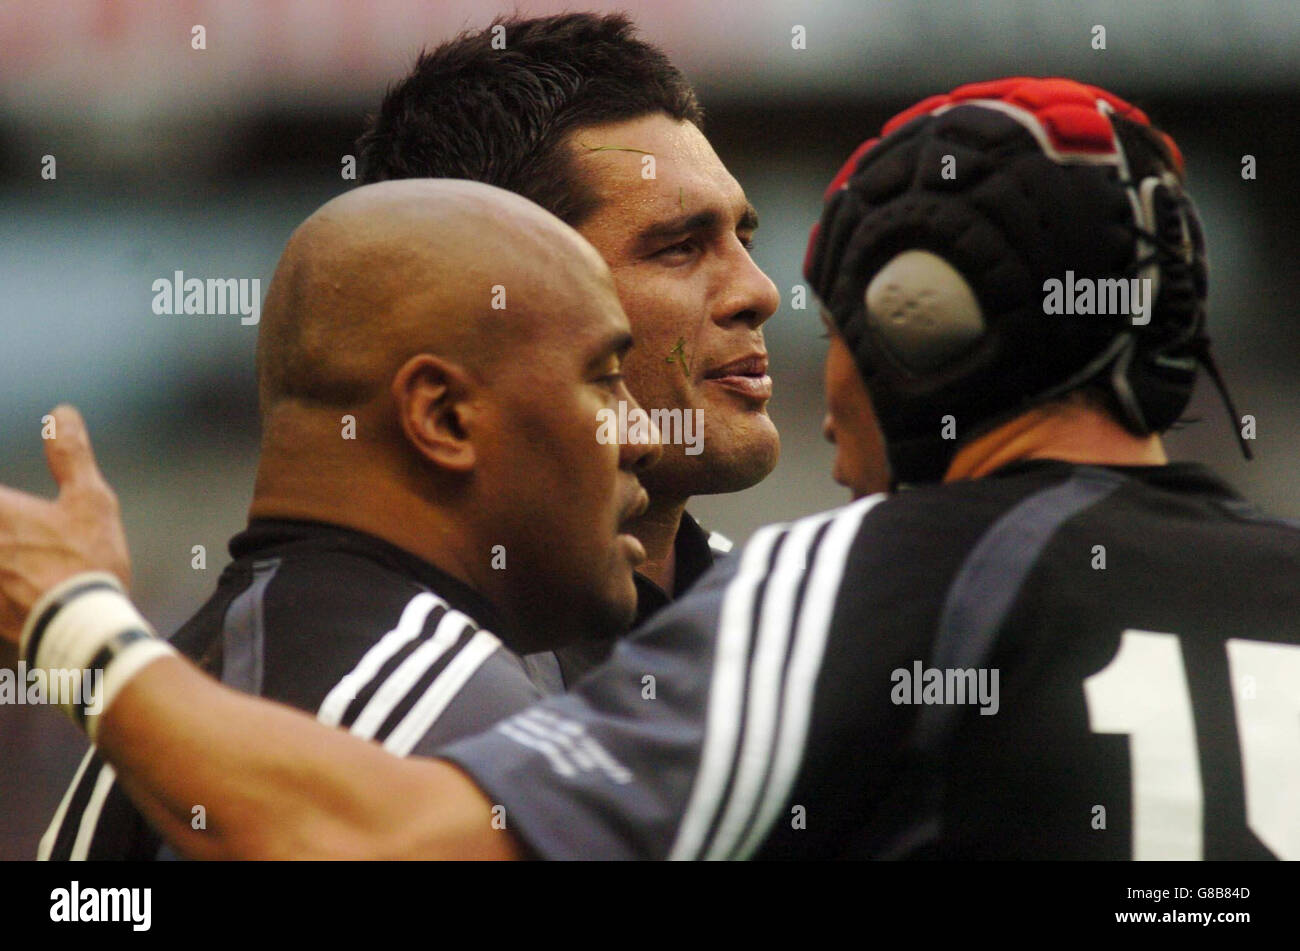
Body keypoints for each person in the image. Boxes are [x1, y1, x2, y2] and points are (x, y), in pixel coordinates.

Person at [3, 78, 1296, 860]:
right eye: (679, 248)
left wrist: (84, 634)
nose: (755, 297)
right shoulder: (374, 664)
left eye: (759, 242)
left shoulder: (825, 595)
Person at [30, 178, 660, 859]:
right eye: (604, 378)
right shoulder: (459, 726)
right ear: (443, 416)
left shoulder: (133, 751)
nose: (645, 433)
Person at [355, 12, 782, 680]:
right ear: (498, 293)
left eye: (743, 240)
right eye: (680, 247)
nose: (759, 292)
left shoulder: (793, 637)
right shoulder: (377, 691)